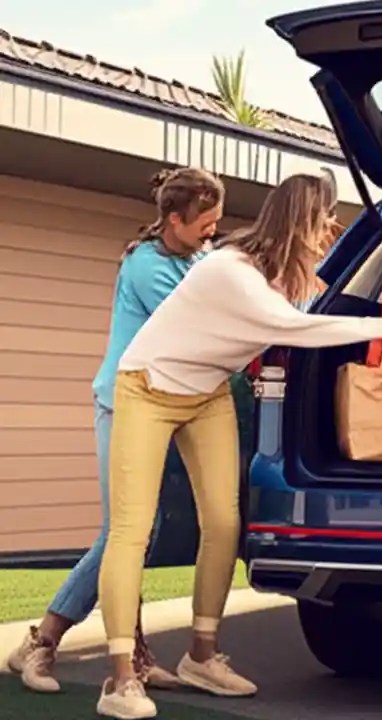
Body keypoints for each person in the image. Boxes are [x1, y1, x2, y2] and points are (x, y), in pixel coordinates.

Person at [92, 173, 382, 720]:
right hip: (147, 387)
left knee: (223, 522)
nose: (327, 233)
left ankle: (203, 655)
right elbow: (294, 327)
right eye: (321, 222)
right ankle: (121, 679)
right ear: (299, 222)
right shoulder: (232, 272)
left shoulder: (275, 276)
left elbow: (320, 305)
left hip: (207, 391)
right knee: (131, 530)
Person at [6, 168, 226, 694]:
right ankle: (42, 641)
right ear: (174, 219)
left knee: (140, 534)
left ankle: (137, 652)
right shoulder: (147, 265)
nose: (213, 233)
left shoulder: (195, 258)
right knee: (125, 533)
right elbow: (198, 326)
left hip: (176, 402)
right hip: (124, 405)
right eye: (206, 223)